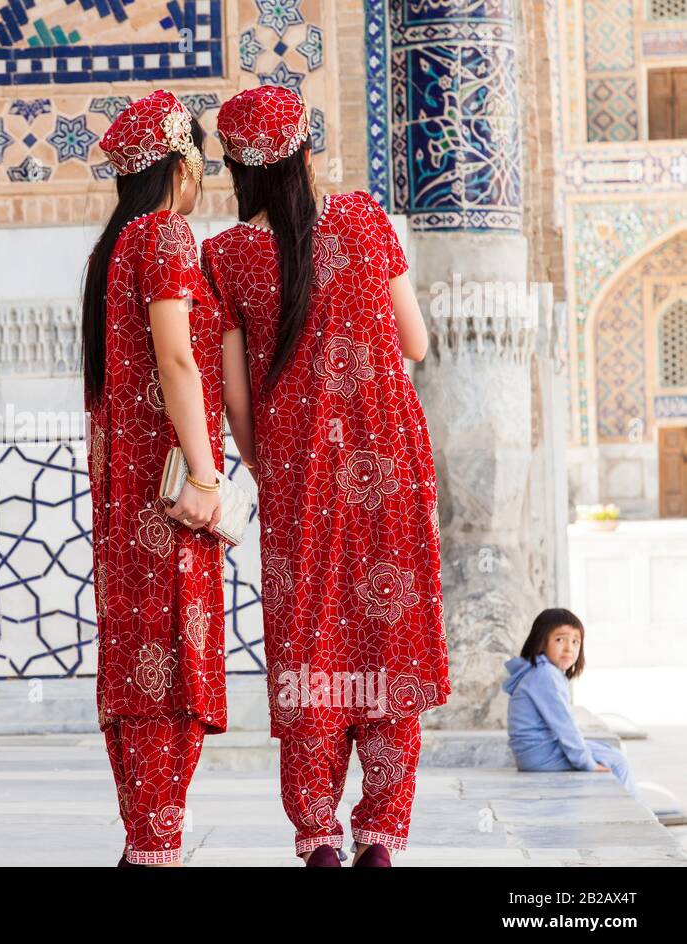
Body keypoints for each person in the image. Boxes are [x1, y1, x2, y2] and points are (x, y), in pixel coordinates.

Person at [200, 86, 449, 867]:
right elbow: (415, 343)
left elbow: (237, 397)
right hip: (393, 462)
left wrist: (269, 468)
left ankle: (318, 838)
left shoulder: (228, 254)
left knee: (313, 647)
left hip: (300, 470)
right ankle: (381, 834)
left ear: (238, 168)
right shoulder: (366, 218)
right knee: (389, 637)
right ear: (307, 150)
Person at [83, 89, 257, 867]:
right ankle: (155, 849)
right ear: (181, 165)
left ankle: (143, 842)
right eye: (200, 161)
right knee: (172, 674)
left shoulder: (110, 251)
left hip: (125, 510)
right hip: (170, 505)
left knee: (137, 667)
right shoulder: (167, 236)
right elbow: (179, 358)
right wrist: (208, 470)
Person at [503, 608, 640, 799]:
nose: (569, 648)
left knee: (608, 750)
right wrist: (587, 763)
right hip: (539, 755)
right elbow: (564, 726)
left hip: (534, 753)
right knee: (616, 760)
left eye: (576, 641)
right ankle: (635, 815)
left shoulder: (540, 672)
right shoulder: (545, 675)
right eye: (560, 640)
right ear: (541, 642)